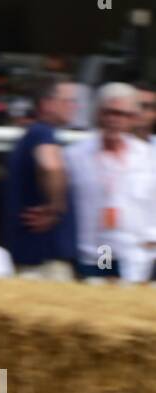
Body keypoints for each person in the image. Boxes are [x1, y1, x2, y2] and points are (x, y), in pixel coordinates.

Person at [64, 82, 156, 281]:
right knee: (101, 303)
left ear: (133, 118)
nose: (115, 120)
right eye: (110, 113)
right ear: (99, 114)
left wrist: (152, 239)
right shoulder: (75, 155)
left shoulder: (149, 157)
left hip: (138, 254)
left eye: (123, 114)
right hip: (98, 250)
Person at [2, 78, 78, 281]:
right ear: (47, 104)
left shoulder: (31, 135)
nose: (74, 107)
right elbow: (50, 165)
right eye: (68, 101)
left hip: (33, 258)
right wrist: (56, 209)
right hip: (44, 263)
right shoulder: (42, 133)